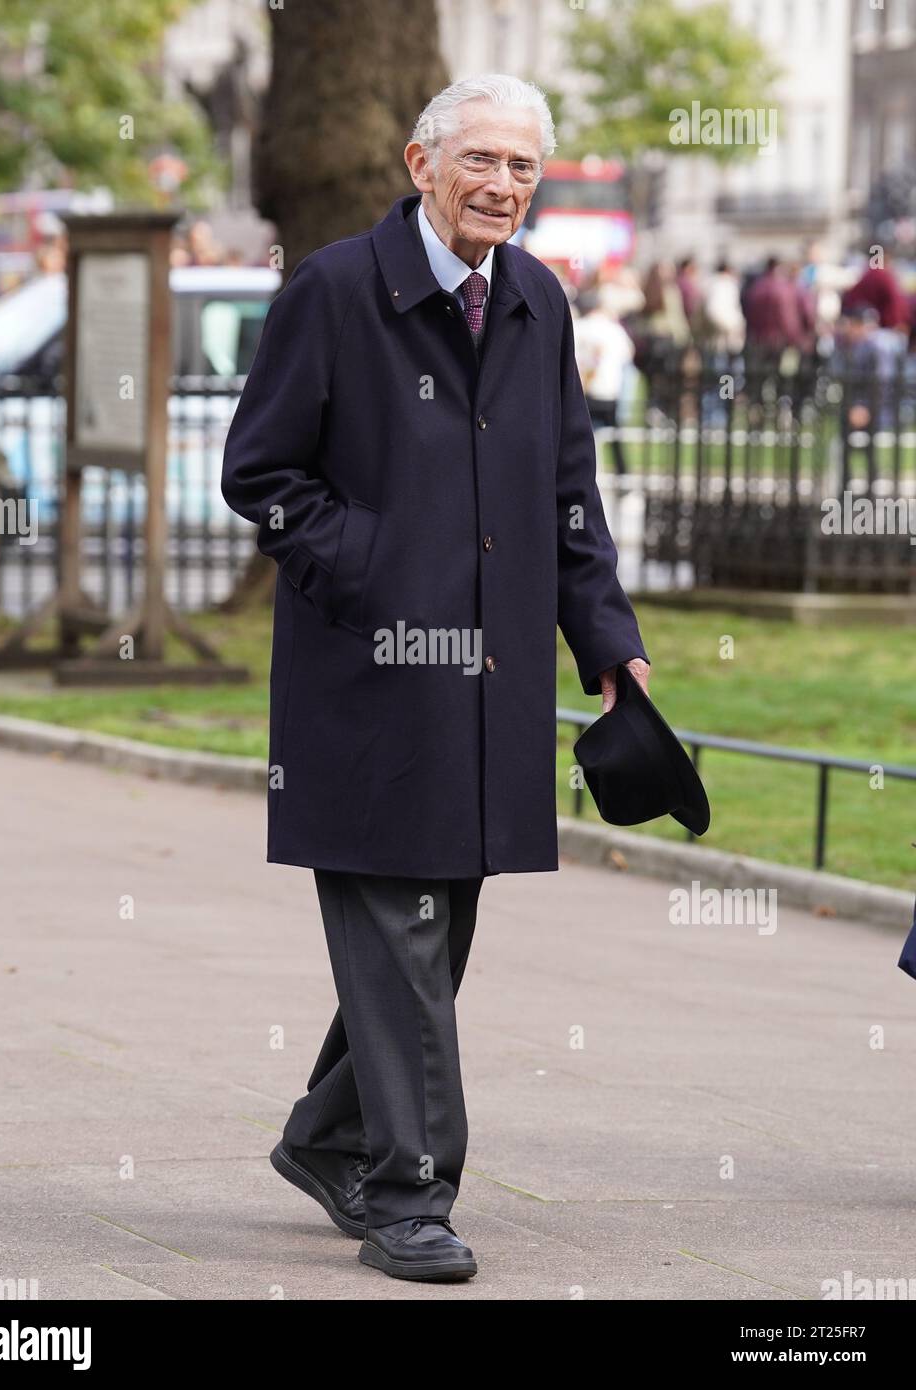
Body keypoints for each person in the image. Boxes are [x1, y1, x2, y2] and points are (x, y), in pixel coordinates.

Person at [220, 73, 650, 1284]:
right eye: (482, 162)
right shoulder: (335, 290)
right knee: (405, 938)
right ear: (421, 162)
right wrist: (370, 567)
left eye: (523, 167)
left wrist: (606, 639)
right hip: (365, 688)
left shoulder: (536, 301)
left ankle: (325, 1135)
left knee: (435, 934)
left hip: (488, 688)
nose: (502, 186)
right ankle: (409, 1194)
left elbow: (570, 490)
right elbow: (260, 474)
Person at [572, 288, 635, 474]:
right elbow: (627, 355)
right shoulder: (614, 329)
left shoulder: (578, 326)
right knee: (614, 436)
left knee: (579, 436)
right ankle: (621, 472)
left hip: (582, 392)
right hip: (606, 391)